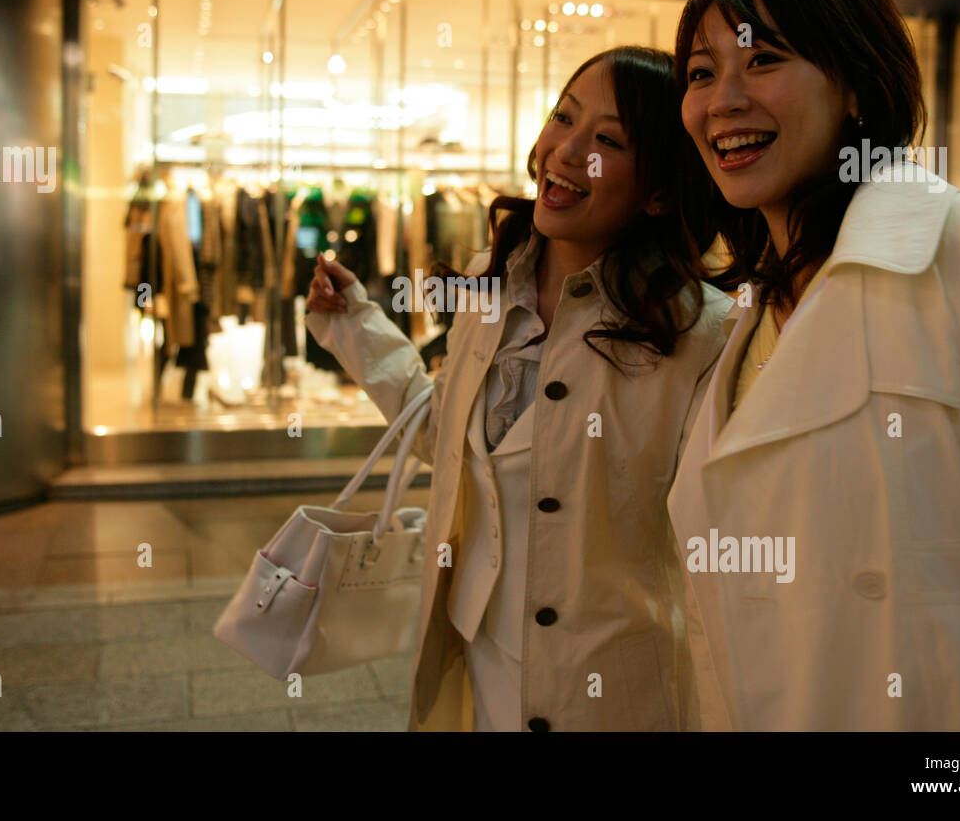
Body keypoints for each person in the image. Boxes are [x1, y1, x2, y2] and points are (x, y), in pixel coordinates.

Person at [668, 0, 960, 730]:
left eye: (763, 60)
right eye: (700, 73)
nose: (722, 100)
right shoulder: (747, 317)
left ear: (858, 87)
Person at [306, 46, 733, 731]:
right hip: (482, 657)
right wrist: (357, 327)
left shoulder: (697, 334)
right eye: (563, 117)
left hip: (614, 693)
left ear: (658, 188)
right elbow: (446, 439)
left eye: (608, 140)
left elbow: (727, 554)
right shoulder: (492, 281)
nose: (565, 150)